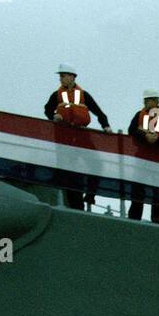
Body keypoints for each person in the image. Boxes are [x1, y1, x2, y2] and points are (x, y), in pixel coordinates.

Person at [44, 65, 110, 210]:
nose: (61, 79)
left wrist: (105, 126)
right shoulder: (56, 95)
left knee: (96, 164)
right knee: (68, 171)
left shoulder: (84, 95)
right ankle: (74, 204)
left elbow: (99, 113)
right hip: (64, 137)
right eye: (60, 76)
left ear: (72, 77)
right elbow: (47, 109)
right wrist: (53, 115)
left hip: (81, 135)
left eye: (63, 76)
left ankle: (90, 194)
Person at [127, 91, 159, 224]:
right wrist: (146, 137)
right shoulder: (139, 115)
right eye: (146, 101)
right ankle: (134, 218)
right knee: (138, 190)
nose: (146, 103)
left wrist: (156, 140)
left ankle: (158, 220)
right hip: (142, 160)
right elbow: (131, 130)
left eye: (149, 100)